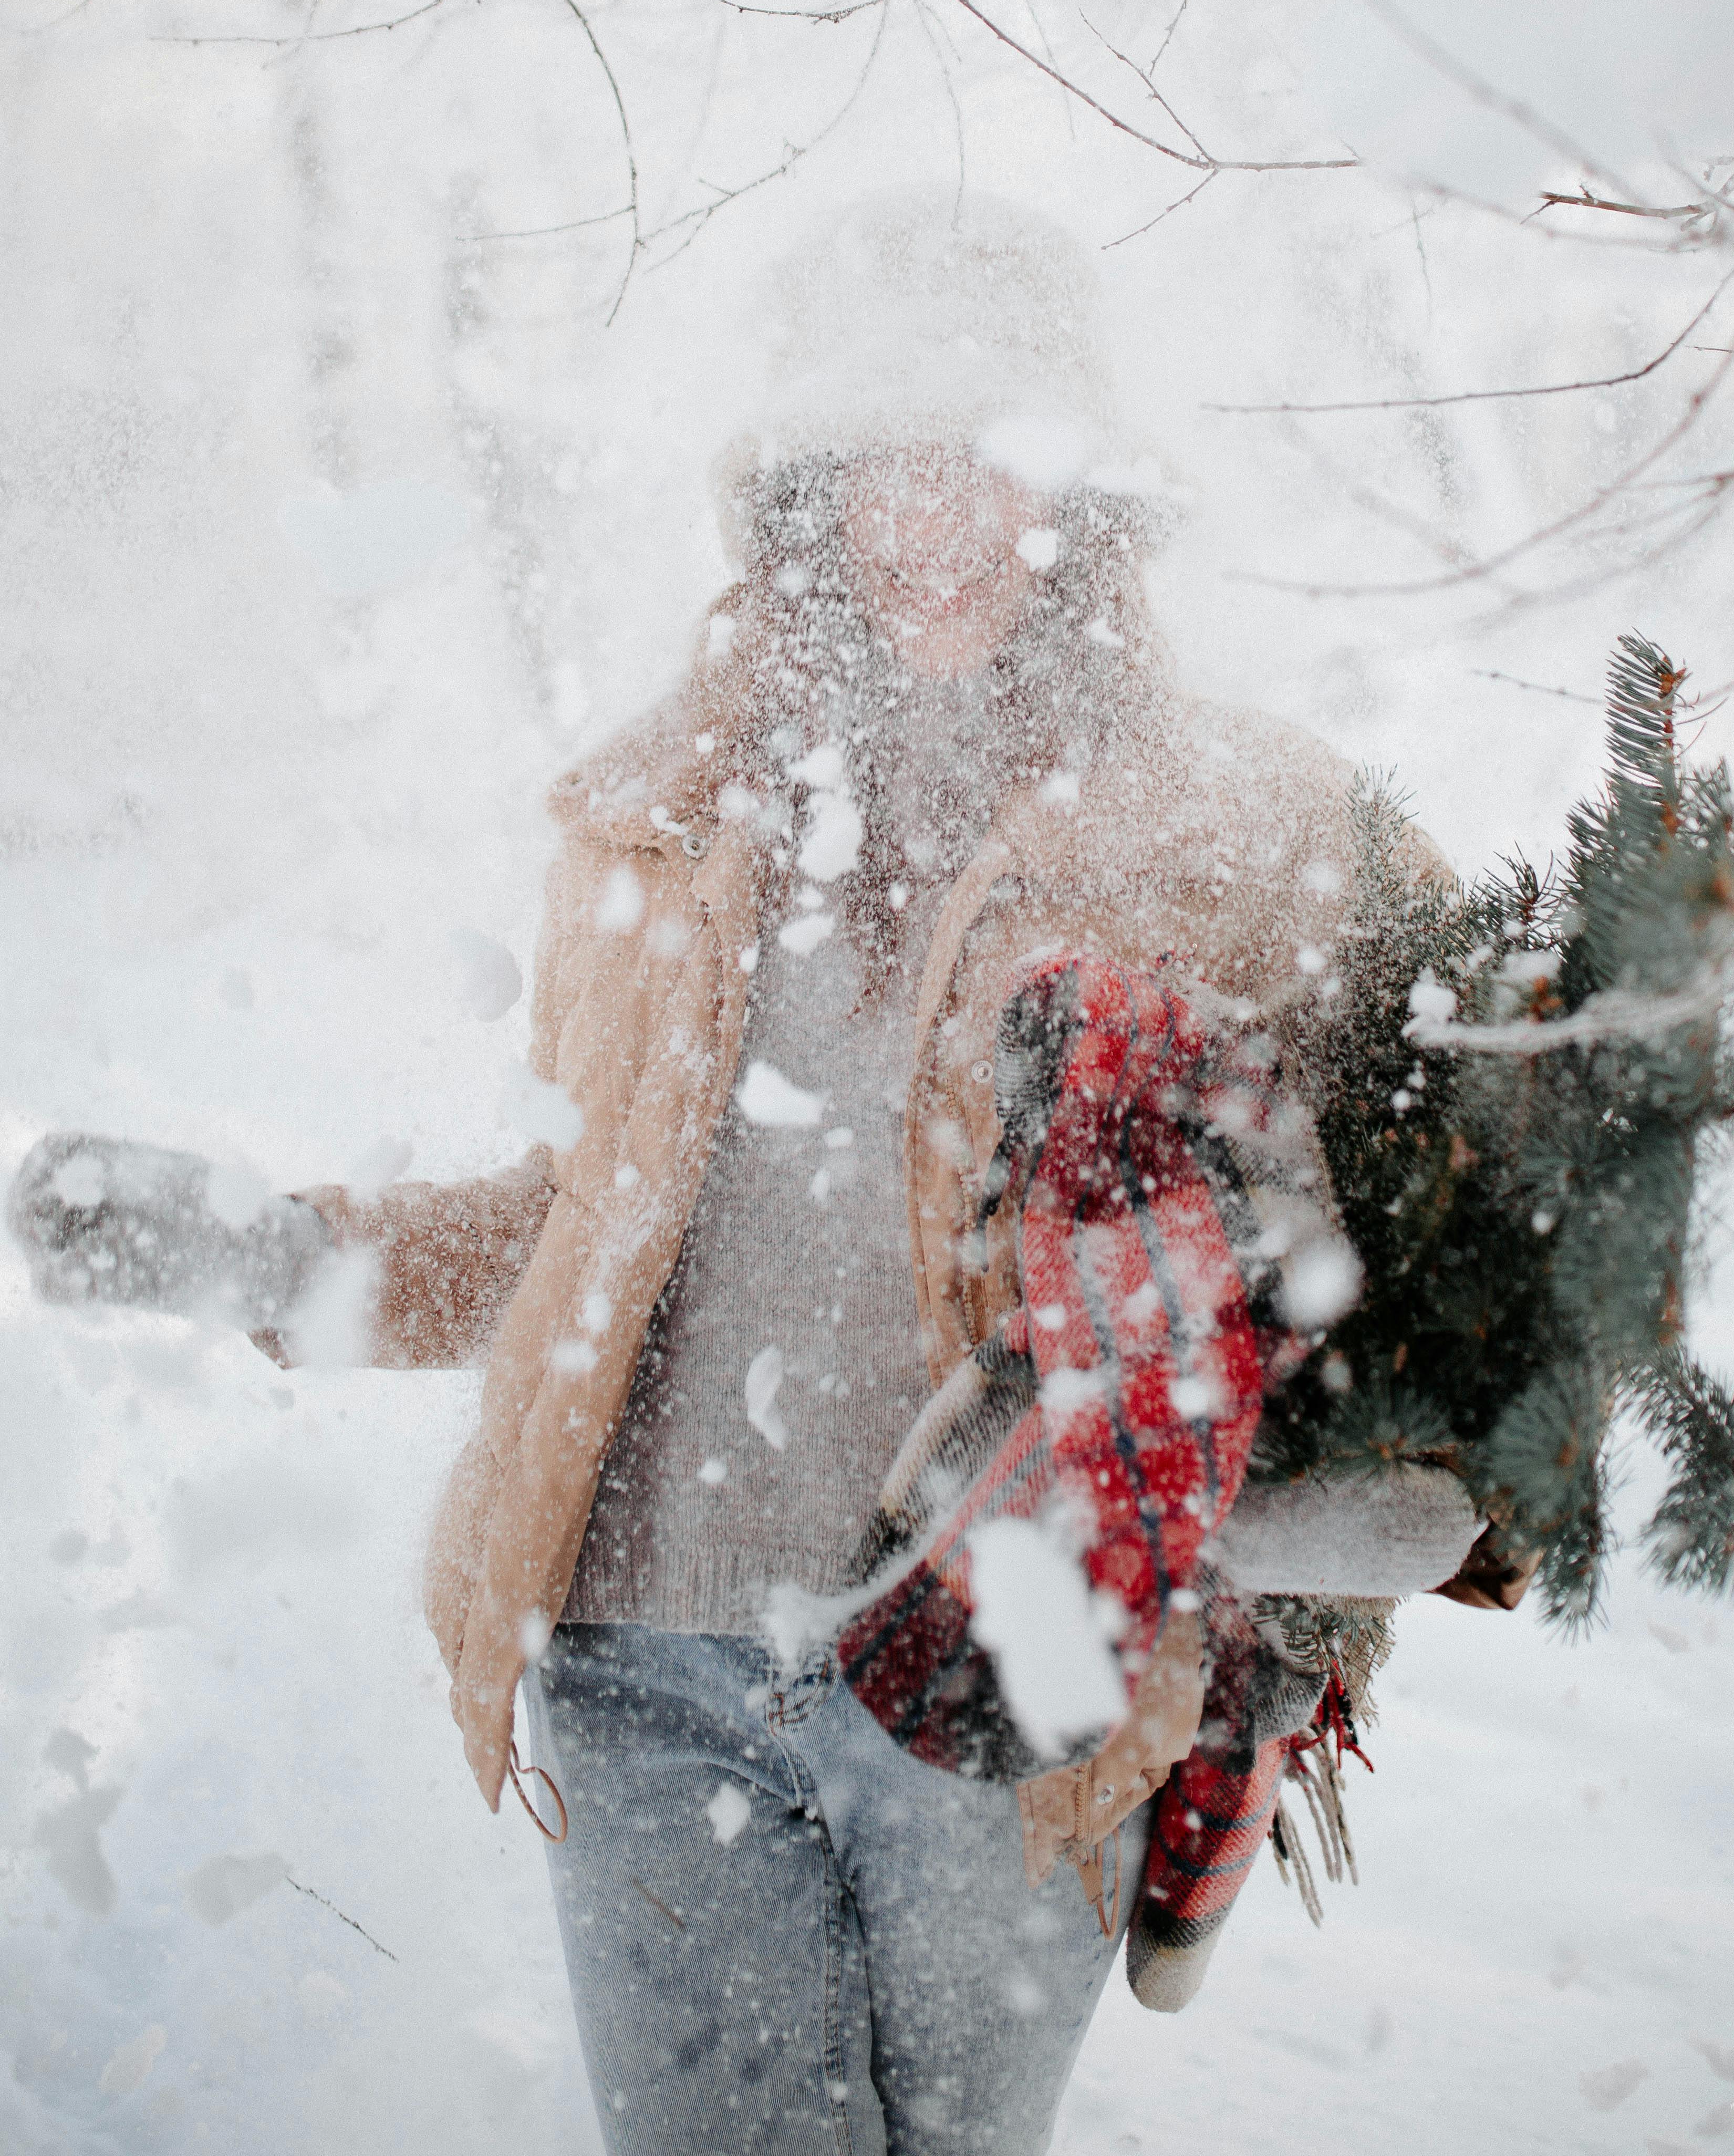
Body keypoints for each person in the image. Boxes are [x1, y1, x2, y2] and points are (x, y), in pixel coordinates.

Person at [15, 196, 1486, 2155]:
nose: (930, 519)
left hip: (1001, 1654)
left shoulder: (1239, 830)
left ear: (1082, 489)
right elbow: (597, 1239)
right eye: (879, 462)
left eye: (983, 456)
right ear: (801, 491)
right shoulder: (668, 813)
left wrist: (1344, 1529)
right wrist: (284, 1259)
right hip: (642, 1670)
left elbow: (1421, 1244)